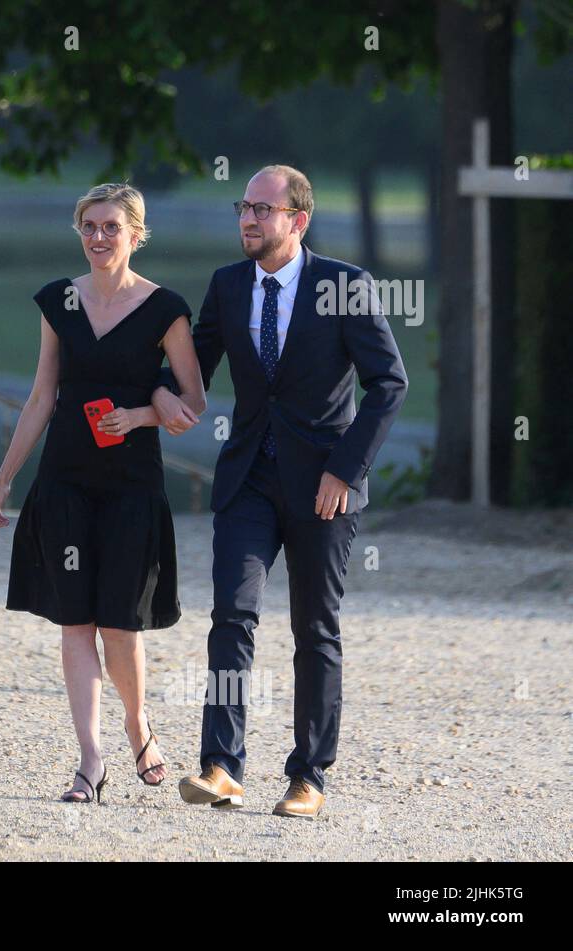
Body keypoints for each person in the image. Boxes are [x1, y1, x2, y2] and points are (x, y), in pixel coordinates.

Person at [154, 165, 408, 818]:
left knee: (313, 628)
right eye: (243, 206)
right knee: (231, 614)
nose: (248, 218)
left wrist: (346, 470)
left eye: (263, 209)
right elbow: (191, 370)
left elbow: (389, 384)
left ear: (297, 221)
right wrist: (156, 392)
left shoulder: (345, 286)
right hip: (248, 480)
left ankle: (309, 776)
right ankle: (222, 766)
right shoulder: (228, 286)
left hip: (325, 488)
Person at [0, 183, 206, 804]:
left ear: (137, 234)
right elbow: (41, 397)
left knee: (120, 623)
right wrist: (4, 480)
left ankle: (139, 726)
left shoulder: (166, 309)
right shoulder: (60, 301)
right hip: (65, 483)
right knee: (74, 619)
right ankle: (90, 759)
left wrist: (142, 414)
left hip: (132, 486)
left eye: (112, 227)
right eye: (89, 226)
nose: (99, 238)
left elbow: (194, 403)